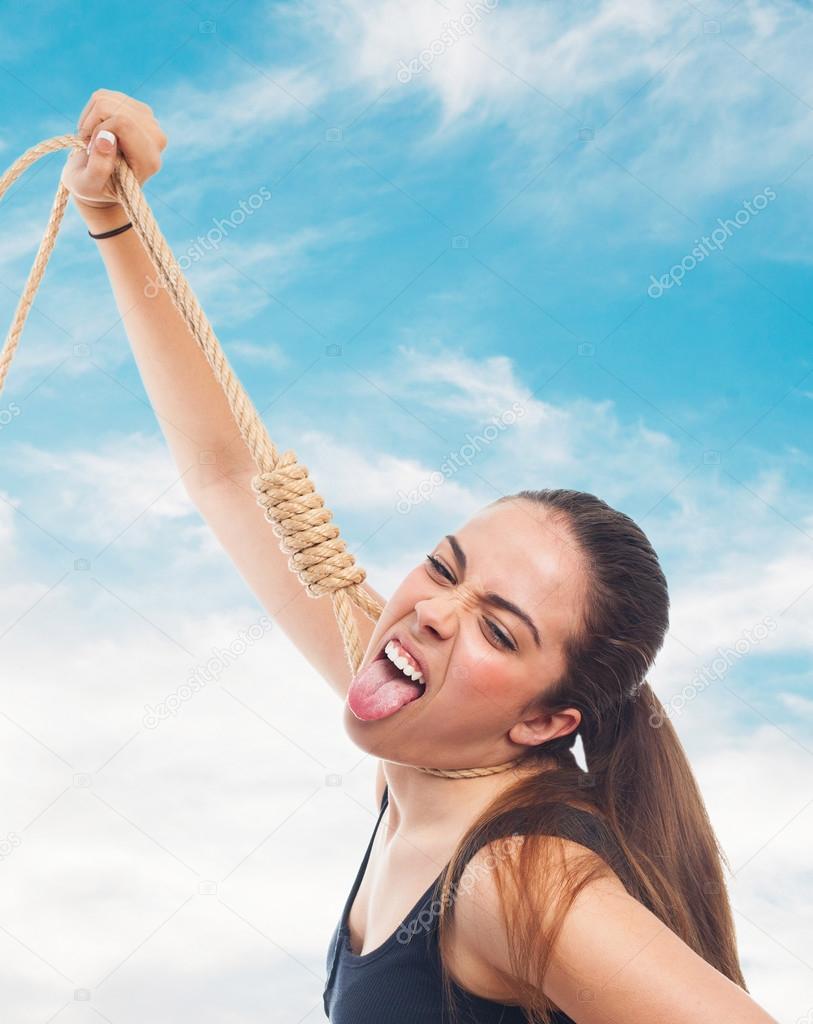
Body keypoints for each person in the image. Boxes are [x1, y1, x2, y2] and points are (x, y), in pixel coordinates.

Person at [63, 89, 780, 1024]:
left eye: (498, 630)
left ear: (543, 720)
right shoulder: (425, 752)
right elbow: (227, 474)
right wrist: (111, 218)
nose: (436, 611)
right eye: (446, 568)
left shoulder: (514, 878)